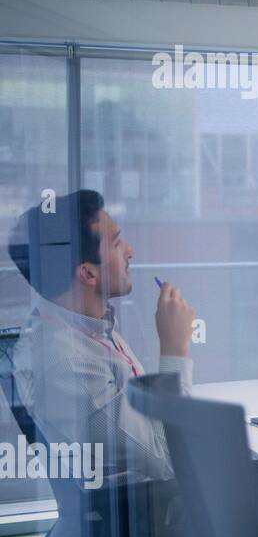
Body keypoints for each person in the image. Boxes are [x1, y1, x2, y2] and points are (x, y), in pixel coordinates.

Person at [7, 189, 196, 483]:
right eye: (118, 244)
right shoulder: (69, 363)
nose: (130, 252)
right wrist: (174, 349)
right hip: (154, 512)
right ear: (88, 274)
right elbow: (172, 462)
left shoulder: (83, 325)